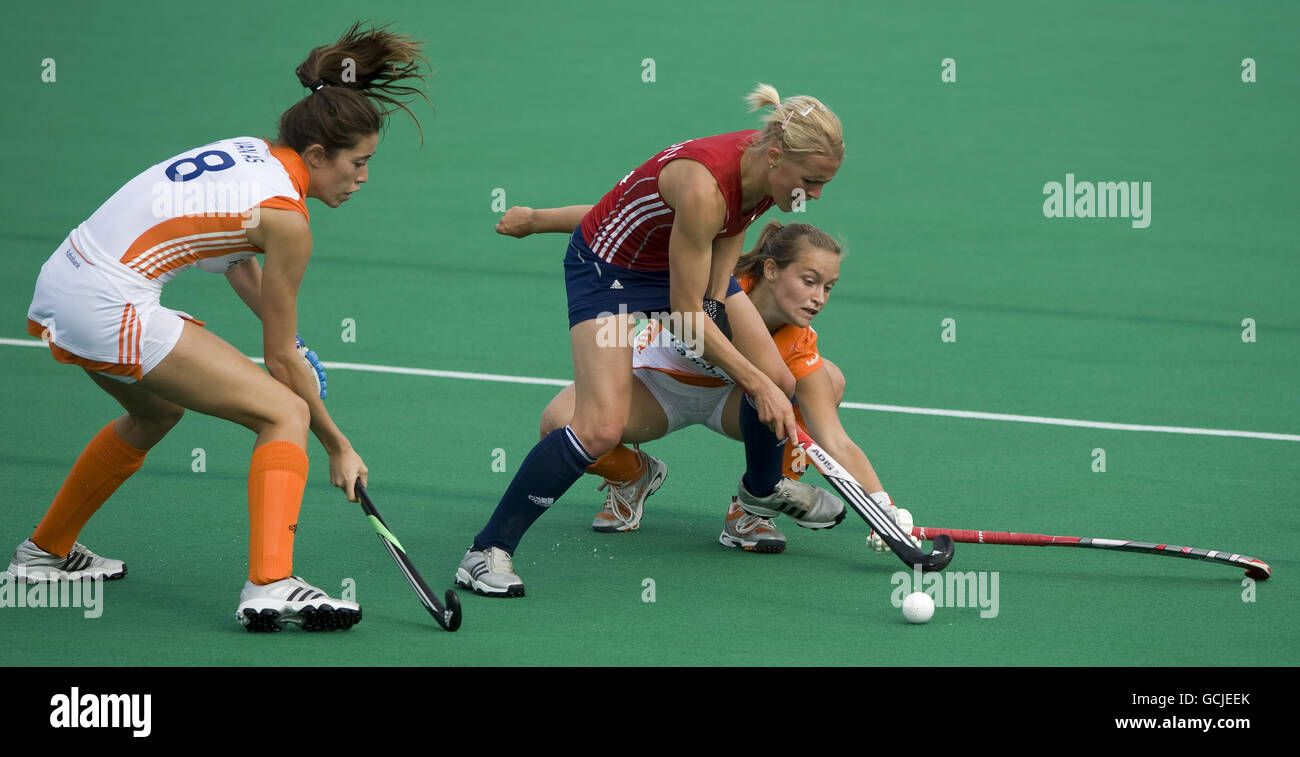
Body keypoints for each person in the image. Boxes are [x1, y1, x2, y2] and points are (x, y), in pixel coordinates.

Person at [8, 23, 430, 632]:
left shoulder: (252, 153)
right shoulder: (288, 220)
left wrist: (294, 339)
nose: (363, 178)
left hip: (63, 282)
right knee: (285, 413)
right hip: (110, 304)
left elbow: (232, 257)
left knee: (155, 413)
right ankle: (271, 584)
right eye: (358, 163)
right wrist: (338, 444)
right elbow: (280, 364)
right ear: (317, 156)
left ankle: (44, 553)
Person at [457, 84, 846, 597]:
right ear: (776, 155)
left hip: (679, 264)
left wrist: (716, 299)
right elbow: (684, 315)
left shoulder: (761, 173)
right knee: (599, 427)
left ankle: (758, 497)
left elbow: (731, 230)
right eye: (811, 181)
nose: (815, 195)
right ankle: (487, 551)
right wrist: (747, 375)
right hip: (609, 277)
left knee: (779, 377)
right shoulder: (706, 187)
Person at [504, 210, 917, 555]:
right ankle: (633, 475)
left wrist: (884, 506)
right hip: (658, 386)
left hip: (734, 405)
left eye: (828, 287)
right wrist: (537, 220)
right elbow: (616, 219)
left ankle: (752, 508)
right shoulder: (716, 275)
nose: (819, 297)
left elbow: (835, 440)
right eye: (809, 281)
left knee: (826, 383)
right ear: (771, 270)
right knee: (557, 425)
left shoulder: (797, 344)